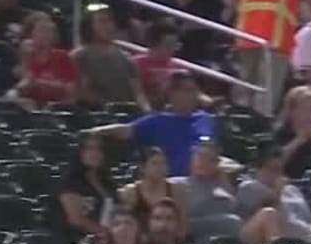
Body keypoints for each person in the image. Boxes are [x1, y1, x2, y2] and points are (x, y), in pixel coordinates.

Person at [84, 72, 215, 178]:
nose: (192, 95)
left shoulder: (206, 119)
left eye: (194, 91)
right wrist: (95, 131)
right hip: (175, 181)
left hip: (208, 180)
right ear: (172, 93)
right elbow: (126, 130)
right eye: (186, 90)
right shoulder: (157, 121)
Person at [236, 145, 311, 244]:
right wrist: (278, 190)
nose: (277, 174)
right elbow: (266, 208)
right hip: (261, 238)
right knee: (268, 212)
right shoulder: (249, 187)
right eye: (272, 169)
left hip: (303, 242)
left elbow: (310, 219)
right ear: (258, 170)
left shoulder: (292, 190)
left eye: (279, 170)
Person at [74, 4, 148, 109]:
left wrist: (147, 111)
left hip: (126, 112)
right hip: (96, 114)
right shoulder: (80, 56)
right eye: (101, 21)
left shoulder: (125, 57)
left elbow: (138, 93)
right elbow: (83, 91)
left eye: (110, 21)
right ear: (89, 26)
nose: (107, 26)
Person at [169, 142, 243, 243]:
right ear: (192, 159)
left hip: (218, 233)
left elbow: (234, 208)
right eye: (200, 156)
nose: (203, 162)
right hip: (187, 227)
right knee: (233, 222)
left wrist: (223, 181)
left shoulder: (219, 187)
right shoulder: (175, 183)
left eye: (210, 159)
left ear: (217, 164)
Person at [54, 134, 117, 244]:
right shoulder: (70, 182)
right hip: (75, 242)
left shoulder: (107, 183)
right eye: (89, 148)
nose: (95, 153)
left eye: (99, 149)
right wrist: (107, 233)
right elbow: (75, 219)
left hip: (107, 240)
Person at [14, 11, 78, 107]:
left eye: (50, 30)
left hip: (57, 106)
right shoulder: (24, 57)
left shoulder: (62, 56)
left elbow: (70, 90)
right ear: (30, 34)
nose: (47, 35)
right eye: (42, 30)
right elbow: (23, 87)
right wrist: (25, 58)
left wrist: (40, 84)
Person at [119, 147, 189, 231]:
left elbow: (183, 224)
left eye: (163, 163)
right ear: (142, 167)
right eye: (155, 163)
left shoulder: (177, 190)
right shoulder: (130, 193)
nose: (160, 168)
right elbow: (126, 224)